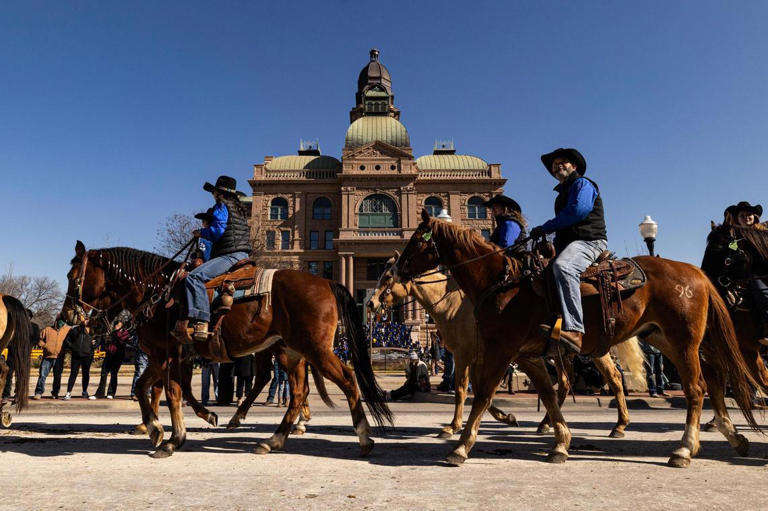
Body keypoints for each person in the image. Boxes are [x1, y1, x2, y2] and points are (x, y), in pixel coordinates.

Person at [530, 148, 608, 354]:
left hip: (589, 241)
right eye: (555, 164)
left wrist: (547, 226)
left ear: (574, 166)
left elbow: (578, 211)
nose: (558, 166)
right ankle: (556, 327)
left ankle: (574, 329)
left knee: (564, 267)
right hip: (570, 244)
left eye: (563, 162)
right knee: (541, 276)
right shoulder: (561, 195)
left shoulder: (583, 184)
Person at [172, 175, 252, 343]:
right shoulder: (239, 209)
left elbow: (217, 231)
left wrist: (201, 233)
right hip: (243, 254)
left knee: (194, 278)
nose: (213, 195)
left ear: (219, 193)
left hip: (230, 254)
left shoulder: (221, 206)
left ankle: (202, 321)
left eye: (214, 192)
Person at [724, 201, 768, 345]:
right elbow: (731, 251)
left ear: (754, 216)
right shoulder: (735, 236)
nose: (746, 217)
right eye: (742, 215)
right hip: (747, 272)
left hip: (764, 270)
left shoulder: (763, 231)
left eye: (749, 214)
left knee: (762, 291)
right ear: (738, 218)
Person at [96, 310, 131, 399]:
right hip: (109, 355)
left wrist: (115, 335)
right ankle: (100, 392)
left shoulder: (125, 333)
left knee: (114, 374)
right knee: (104, 373)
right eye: (115, 324)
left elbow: (122, 340)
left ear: (122, 326)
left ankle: (111, 393)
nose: (115, 326)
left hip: (118, 356)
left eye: (118, 324)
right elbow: (106, 342)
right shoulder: (112, 333)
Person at [33, 318, 70, 399]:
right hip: (47, 357)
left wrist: (66, 350)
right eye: (59, 320)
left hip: (59, 358)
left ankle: (55, 393)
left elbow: (71, 341)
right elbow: (39, 339)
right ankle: (38, 392)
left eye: (63, 321)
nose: (61, 322)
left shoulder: (67, 330)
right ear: (56, 321)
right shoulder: (47, 329)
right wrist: (45, 346)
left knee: (57, 376)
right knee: (42, 375)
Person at [63, 319, 96, 400]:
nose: (87, 320)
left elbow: (98, 341)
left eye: (88, 319)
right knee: (73, 374)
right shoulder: (75, 329)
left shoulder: (93, 330)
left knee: (86, 374)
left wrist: (94, 345)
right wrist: (73, 347)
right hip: (76, 355)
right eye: (85, 319)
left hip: (87, 356)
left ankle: (84, 391)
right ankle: (68, 392)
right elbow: (67, 340)